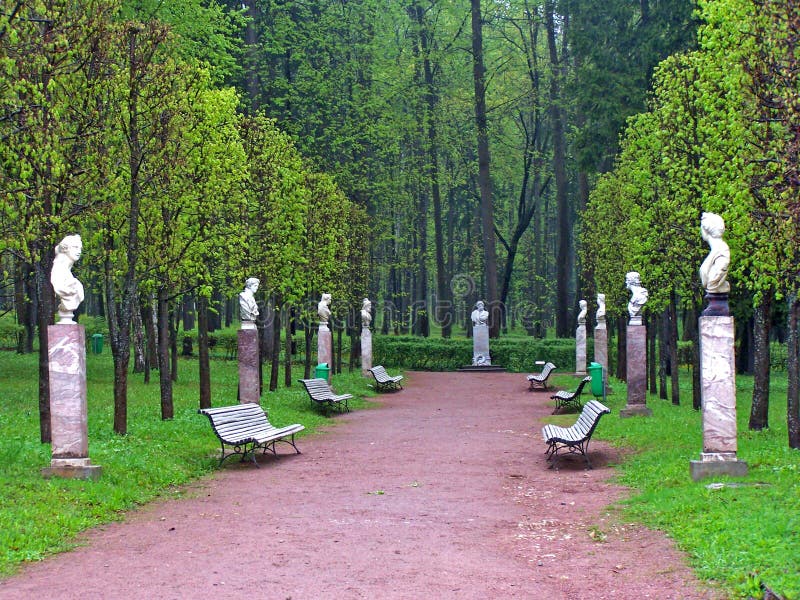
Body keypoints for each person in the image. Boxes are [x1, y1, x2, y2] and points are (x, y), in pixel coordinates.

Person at [50, 234, 85, 324]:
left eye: (80, 248)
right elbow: (59, 287)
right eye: (75, 247)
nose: (79, 251)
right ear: (65, 248)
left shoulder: (69, 276)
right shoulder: (58, 273)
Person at [699, 212, 730, 294]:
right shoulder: (716, 250)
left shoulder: (722, 252)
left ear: (706, 230)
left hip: (716, 298)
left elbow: (712, 280)